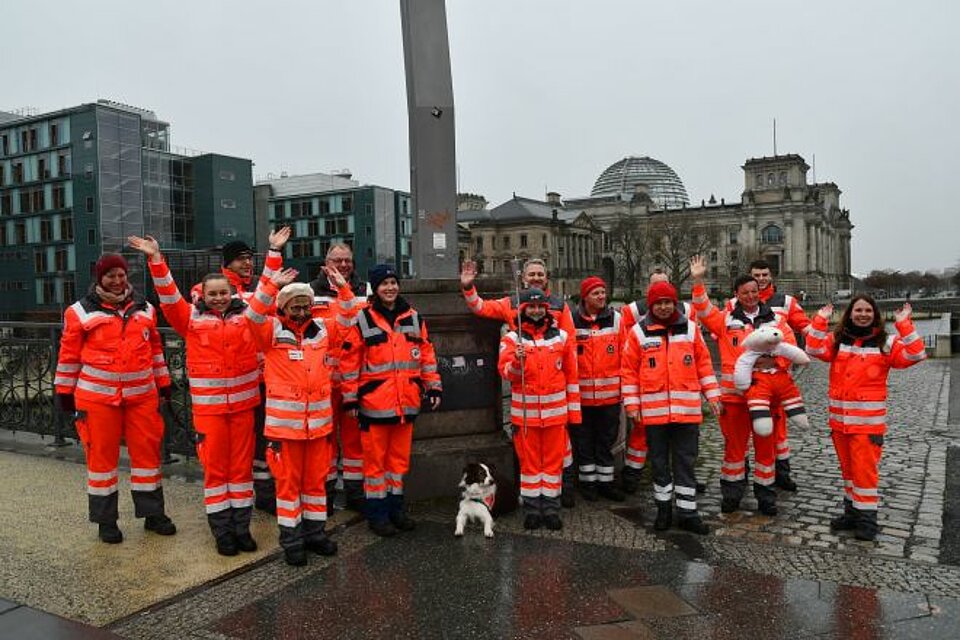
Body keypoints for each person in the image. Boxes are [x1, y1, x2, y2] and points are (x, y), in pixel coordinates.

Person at [130, 232, 288, 556]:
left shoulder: (247, 317)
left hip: (243, 406)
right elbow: (169, 297)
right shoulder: (190, 319)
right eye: (212, 294)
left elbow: (265, 293)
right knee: (217, 474)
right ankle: (223, 533)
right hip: (209, 411)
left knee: (241, 471)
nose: (218, 298)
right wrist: (156, 260)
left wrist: (273, 252)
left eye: (223, 293)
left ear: (232, 293)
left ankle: (242, 529)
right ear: (203, 295)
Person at [55, 253, 176, 543]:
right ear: (100, 278)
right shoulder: (79, 312)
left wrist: (164, 382)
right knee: (101, 461)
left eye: (121, 274)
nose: (118, 280)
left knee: (148, 458)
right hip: (97, 400)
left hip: (142, 397)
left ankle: (152, 515)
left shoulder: (145, 308)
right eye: (111, 275)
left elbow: (155, 349)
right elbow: (69, 356)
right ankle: (106, 522)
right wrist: (63, 392)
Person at [244, 255, 353, 566]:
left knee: (316, 483)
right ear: (283, 308)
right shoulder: (270, 332)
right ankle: (292, 540)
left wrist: (343, 288)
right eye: (295, 306)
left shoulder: (322, 331)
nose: (302, 311)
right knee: (289, 486)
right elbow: (251, 316)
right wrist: (270, 285)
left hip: (318, 426)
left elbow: (348, 317)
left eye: (305, 305)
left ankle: (315, 534)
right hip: (284, 430)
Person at [805, 297, 926, 541]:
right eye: (858, 310)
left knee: (864, 474)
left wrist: (904, 324)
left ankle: (867, 521)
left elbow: (917, 354)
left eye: (868, 310)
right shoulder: (838, 341)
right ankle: (851, 514)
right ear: (850, 314)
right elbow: (813, 349)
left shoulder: (886, 343)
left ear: (875, 314)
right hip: (840, 423)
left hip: (867, 424)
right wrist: (820, 320)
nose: (863, 314)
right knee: (849, 472)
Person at [460, 258, 578, 507]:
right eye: (531, 274)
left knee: (560, 450)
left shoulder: (560, 305)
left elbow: (570, 347)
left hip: (553, 390)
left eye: (540, 274)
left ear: (546, 277)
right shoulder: (511, 302)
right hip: (526, 384)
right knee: (530, 451)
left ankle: (562, 491)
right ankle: (533, 498)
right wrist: (469, 287)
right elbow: (481, 307)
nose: (535, 277)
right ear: (523, 278)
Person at [691, 255, 799, 516]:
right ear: (736, 295)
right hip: (735, 399)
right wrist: (698, 280)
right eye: (745, 292)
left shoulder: (775, 320)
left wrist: (772, 362)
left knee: (765, 450)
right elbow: (703, 310)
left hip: (767, 398)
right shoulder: (725, 320)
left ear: (759, 293)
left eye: (753, 291)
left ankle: (766, 497)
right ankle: (732, 494)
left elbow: (791, 349)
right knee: (734, 451)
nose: (750, 296)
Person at [340, 264, 442, 536]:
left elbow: (427, 356)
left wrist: (433, 387)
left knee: (398, 464)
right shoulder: (362, 320)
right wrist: (350, 400)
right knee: (375, 466)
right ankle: (378, 515)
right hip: (374, 406)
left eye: (393, 282)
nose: (390, 288)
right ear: (376, 288)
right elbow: (350, 363)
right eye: (384, 283)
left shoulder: (414, 318)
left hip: (405, 404)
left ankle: (397, 509)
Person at [191, 239, 285, 515]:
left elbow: (265, 297)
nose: (248, 263)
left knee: (262, 441)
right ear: (227, 262)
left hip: (258, 380)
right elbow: (257, 304)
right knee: (239, 449)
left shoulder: (252, 290)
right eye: (241, 259)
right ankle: (242, 501)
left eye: (250, 258)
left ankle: (263, 494)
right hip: (228, 387)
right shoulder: (211, 289)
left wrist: (274, 253)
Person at [620, 281, 720, 533]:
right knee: (660, 464)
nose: (664, 307)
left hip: (686, 413)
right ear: (651, 305)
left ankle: (688, 512)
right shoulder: (639, 333)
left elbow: (704, 366)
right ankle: (663, 510)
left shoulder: (691, 329)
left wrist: (714, 397)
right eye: (658, 303)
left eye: (668, 302)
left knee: (686, 462)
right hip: (654, 416)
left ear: (675, 303)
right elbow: (629, 372)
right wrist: (632, 405)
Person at [498, 288, 581, 530]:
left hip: (556, 416)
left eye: (540, 307)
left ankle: (552, 509)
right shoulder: (512, 339)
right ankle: (533, 509)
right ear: (523, 310)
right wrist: (517, 362)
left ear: (546, 309)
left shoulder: (562, 338)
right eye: (531, 307)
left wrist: (574, 414)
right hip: (526, 418)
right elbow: (506, 373)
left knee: (553, 464)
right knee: (531, 465)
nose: (536, 311)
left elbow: (571, 376)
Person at [725, 259, 810, 491]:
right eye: (756, 275)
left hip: (775, 380)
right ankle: (743, 476)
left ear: (771, 276)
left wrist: (780, 361)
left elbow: (802, 330)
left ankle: (781, 474)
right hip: (749, 382)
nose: (761, 279)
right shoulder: (734, 305)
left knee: (778, 433)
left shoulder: (785, 302)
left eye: (764, 275)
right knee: (742, 437)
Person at [618, 269, 697, 494]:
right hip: (649, 386)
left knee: (681, 443)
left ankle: (682, 478)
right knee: (641, 436)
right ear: (647, 290)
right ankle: (633, 473)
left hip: (676, 387)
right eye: (655, 286)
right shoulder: (633, 310)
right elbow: (626, 340)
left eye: (664, 285)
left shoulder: (687, 310)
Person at [309, 243, 367, 513]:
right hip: (322, 381)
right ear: (326, 261)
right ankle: (326, 495)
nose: (343, 265)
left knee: (355, 442)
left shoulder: (364, 290)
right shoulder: (310, 291)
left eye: (347, 260)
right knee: (325, 442)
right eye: (337, 260)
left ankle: (356, 495)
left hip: (355, 379)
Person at [571, 276, 625, 502]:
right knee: (584, 442)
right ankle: (588, 484)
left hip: (610, 398)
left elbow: (626, 356)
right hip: (582, 398)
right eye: (596, 293)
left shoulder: (616, 320)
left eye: (603, 292)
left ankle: (606, 483)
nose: (601, 296)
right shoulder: (572, 321)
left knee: (606, 441)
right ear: (585, 297)